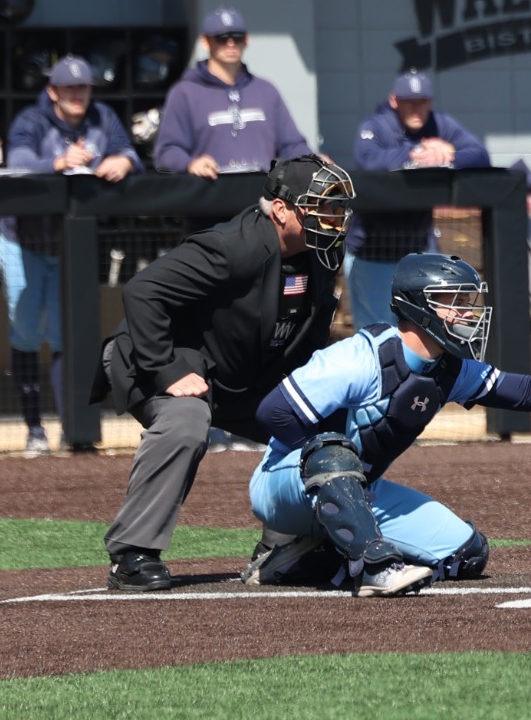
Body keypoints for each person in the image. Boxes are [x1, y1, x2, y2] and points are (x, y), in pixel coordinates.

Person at [242, 254, 531, 596]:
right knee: (334, 454)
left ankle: (298, 561)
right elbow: (272, 411)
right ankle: (375, 569)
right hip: (283, 484)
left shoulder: (449, 369)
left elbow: (522, 391)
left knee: (467, 554)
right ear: (417, 306)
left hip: (360, 492)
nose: (468, 311)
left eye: (469, 301)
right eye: (454, 301)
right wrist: (326, 460)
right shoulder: (359, 357)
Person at [94, 155, 355, 591]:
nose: (333, 218)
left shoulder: (324, 253)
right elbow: (143, 292)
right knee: (187, 421)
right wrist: (166, 369)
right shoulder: (234, 245)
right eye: (321, 206)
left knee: (325, 427)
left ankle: (286, 545)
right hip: (158, 358)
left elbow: (305, 336)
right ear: (281, 209)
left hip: (238, 373)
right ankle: (132, 555)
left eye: (337, 208)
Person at [0, 55, 141, 455]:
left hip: (67, 246)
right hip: (23, 240)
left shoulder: (102, 117)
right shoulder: (32, 119)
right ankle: (33, 430)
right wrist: (58, 162)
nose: (78, 95)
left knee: (68, 335)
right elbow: (19, 161)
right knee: (26, 332)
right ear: (53, 91)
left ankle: (74, 431)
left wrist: (122, 159)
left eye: (83, 87)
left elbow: (130, 150)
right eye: (69, 88)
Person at [346, 70, 490, 330]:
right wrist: (416, 153)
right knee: (378, 334)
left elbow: (480, 155)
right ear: (394, 100)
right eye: (408, 101)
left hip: (418, 251)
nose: (416, 108)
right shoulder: (377, 124)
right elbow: (366, 160)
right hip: (373, 251)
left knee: (426, 331)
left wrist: (450, 156)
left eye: (421, 101)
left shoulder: (438, 124)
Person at [152, 6, 313, 178]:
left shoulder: (267, 91)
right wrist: (190, 163)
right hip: (211, 195)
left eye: (237, 37)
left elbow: (292, 145)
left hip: (261, 195)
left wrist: (313, 161)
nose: (230, 43)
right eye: (221, 38)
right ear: (205, 42)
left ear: (247, 40)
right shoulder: (184, 93)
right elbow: (166, 153)